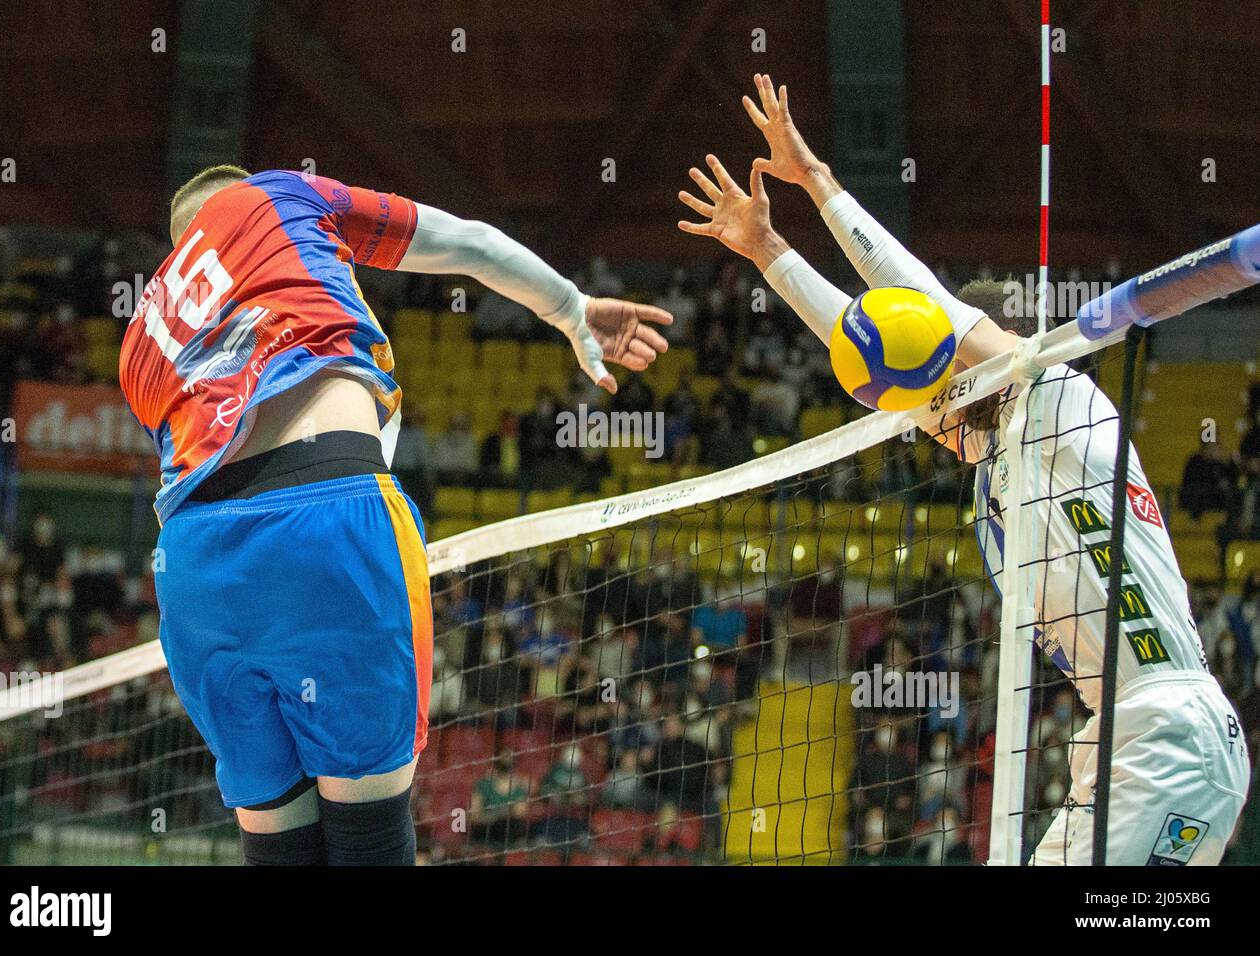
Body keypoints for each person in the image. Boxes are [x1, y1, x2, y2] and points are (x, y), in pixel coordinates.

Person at [678, 73, 1250, 866]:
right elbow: (862, 339)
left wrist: (819, 182)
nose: (931, 405)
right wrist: (769, 250)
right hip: (1122, 742)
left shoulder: (1058, 398)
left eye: (946, 375)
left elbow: (918, 301)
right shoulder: (987, 453)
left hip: (1168, 731)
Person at [119, 165, 671, 865]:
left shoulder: (138, 340)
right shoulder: (276, 195)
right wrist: (568, 307)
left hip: (193, 569)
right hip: (324, 520)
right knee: (369, 838)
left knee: (281, 849)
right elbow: (466, 242)